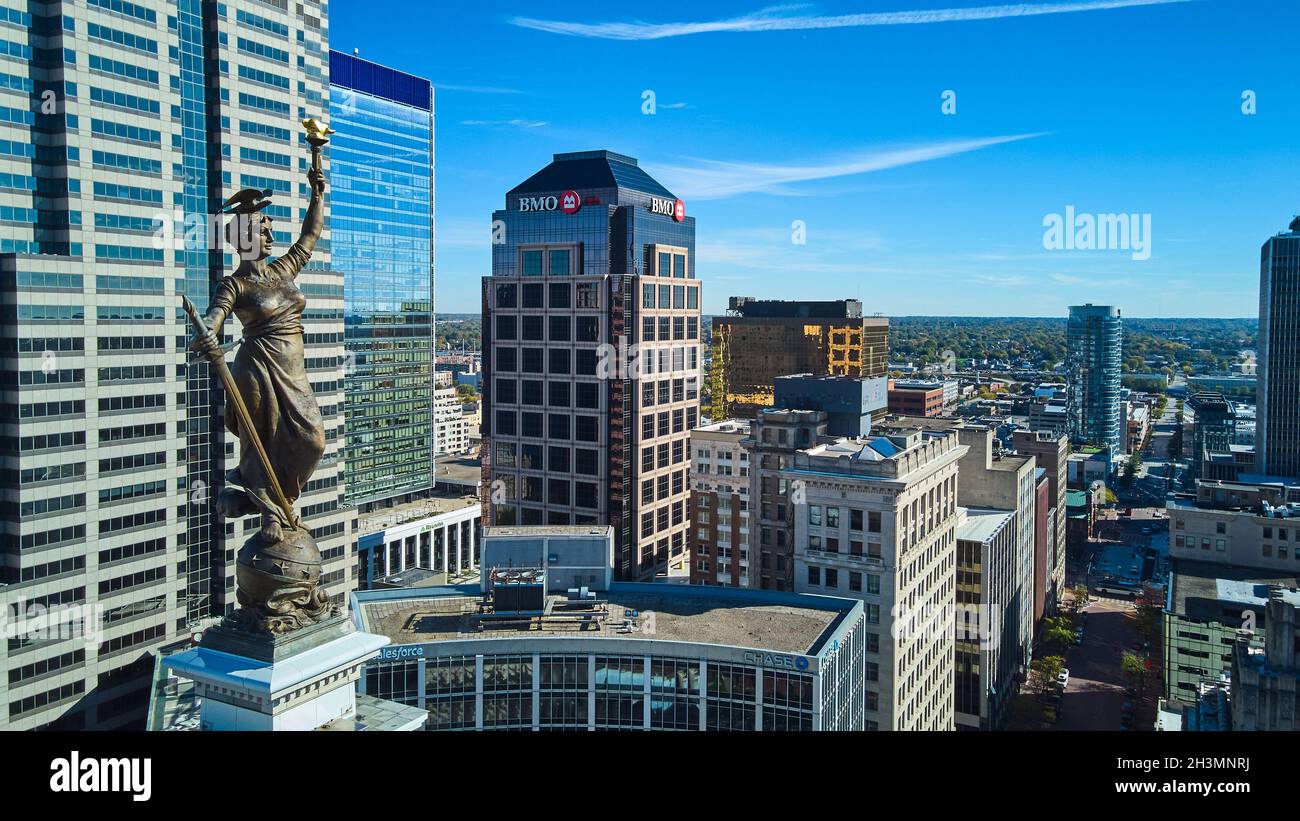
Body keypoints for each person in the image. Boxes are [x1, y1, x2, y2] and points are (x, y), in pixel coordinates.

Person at [189, 164, 327, 544]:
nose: (268, 234)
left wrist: (317, 193)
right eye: (259, 230)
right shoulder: (234, 284)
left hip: (292, 370)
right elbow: (214, 319)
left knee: (311, 440)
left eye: (268, 229)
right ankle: (271, 509)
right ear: (241, 240)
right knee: (260, 441)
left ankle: (265, 500)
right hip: (256, 369)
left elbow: (309, 235)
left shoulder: (284, 270)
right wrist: (206, 337)